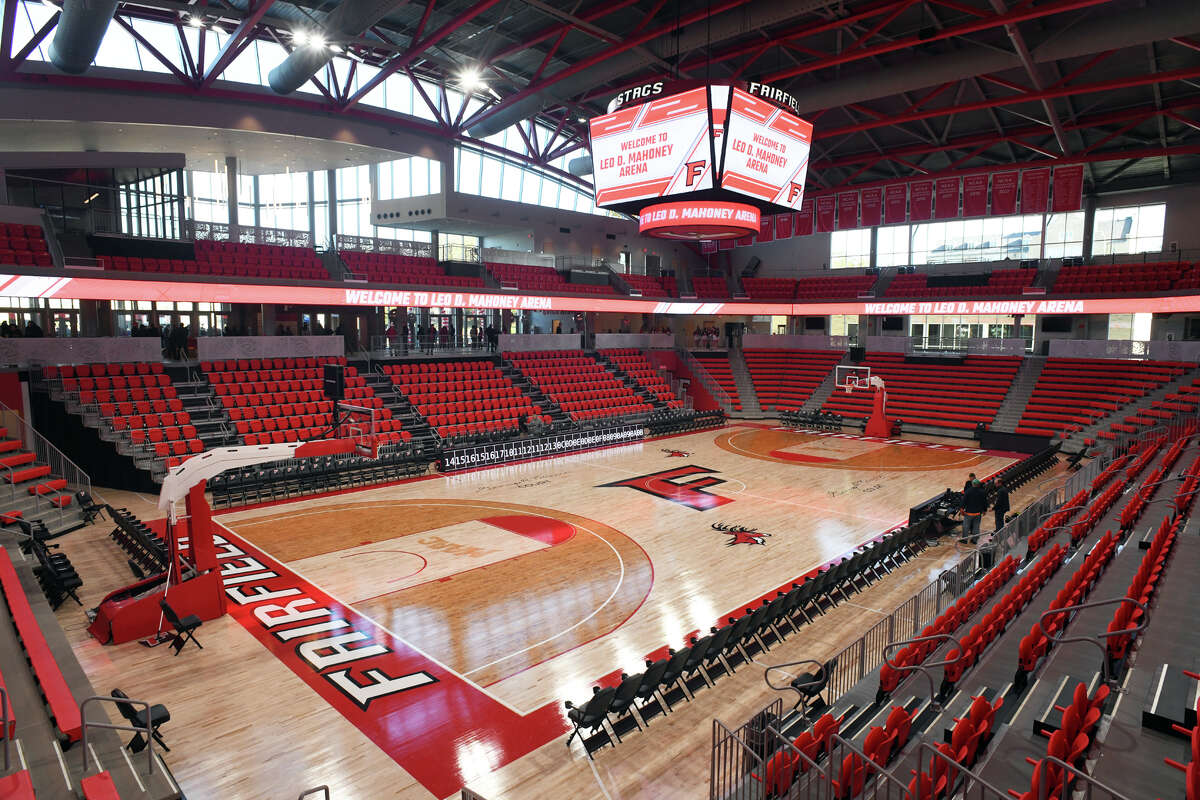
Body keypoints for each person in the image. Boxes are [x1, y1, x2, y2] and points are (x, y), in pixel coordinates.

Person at [960, 477, 988, 543]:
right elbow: (985, 502)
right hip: (978, 513)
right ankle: (975, 540)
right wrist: (985, 510)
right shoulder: (982, 492)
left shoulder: (968, 491)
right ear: (978, 484)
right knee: (976, 527)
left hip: (969, 513)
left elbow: (964, 501)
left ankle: (964, 540)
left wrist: (961, 509)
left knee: (966, 526)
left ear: (972, 484)